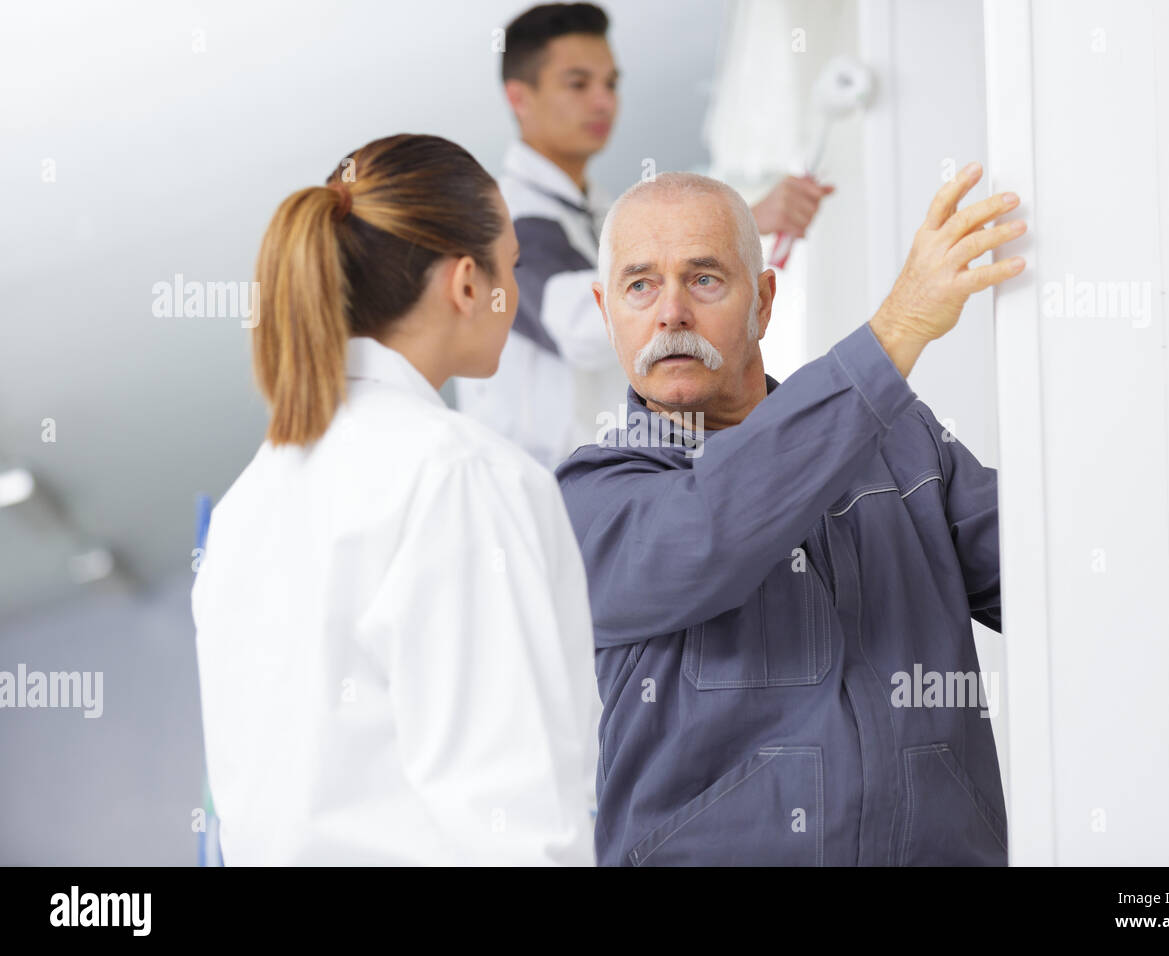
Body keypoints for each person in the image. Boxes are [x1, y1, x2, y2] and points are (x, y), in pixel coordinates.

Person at [555, 162, 1028, 865]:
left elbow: (1048, 577)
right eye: (640, 284)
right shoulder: (595, 495)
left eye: (705, 279)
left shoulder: (902, 444)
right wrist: (896, 331)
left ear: (764, 301)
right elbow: (710, 531)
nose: (671, 311)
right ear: (607, 311)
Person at [192, 133, 600, 865]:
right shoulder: (462, 474)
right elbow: (518, 818)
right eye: (514, 265)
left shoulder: (243, 507)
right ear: (467, 284)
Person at [455, 1, 836, 469]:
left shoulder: (598, 207)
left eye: (610, 83)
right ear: (519, 98)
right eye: (578, 84)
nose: (603, 101)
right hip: (539, 495)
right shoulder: (509, 217)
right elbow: (574, 323)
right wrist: (746, 224)